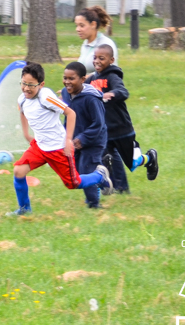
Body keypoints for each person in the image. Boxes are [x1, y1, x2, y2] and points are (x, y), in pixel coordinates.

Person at [9, 62, 112, 216]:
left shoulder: (46, 97)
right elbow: (23, 112)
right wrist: (26, 134)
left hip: (58, 148)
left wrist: (68, 140)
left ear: (41, 85)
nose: (26, 88)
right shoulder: (22, 99)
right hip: (40, 146)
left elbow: (71, 113)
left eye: (31, 85)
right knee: (18, 171)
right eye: (23, 83)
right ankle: (24, 209)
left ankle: (100, 176)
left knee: (73, 183)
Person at [86, 44, 158, 192]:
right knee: (106, 158)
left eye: (101, 58)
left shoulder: (112, 76)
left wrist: (112, 93)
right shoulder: (92, 79)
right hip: (104, 130)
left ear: (111, 60)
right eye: (95, 57)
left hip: (121, 129)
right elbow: (81, 90)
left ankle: (150, 158)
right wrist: (68, 93)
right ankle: (118, 188)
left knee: (132, 162)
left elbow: (123, 91)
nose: (97, 61)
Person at [61, 61, 108, 209]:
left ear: (82, 79)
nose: (67, 82)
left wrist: (83, 138)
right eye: (65, 78)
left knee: (85, 170)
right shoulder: (66, 94)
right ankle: (102, 179)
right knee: (75, 171)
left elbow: (98, 123)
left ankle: (93, 204)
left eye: (72, 78)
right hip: (75, 140)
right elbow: (68, 118)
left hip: (94, 140)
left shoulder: (91, 98)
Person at [75, 5, 117, 70]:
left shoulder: (106, 44)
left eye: (82, 25)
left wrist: (86, 76)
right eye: (76, 25)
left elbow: (109, 71)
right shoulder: (86, 44)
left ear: (93, 24)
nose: (77, 29)